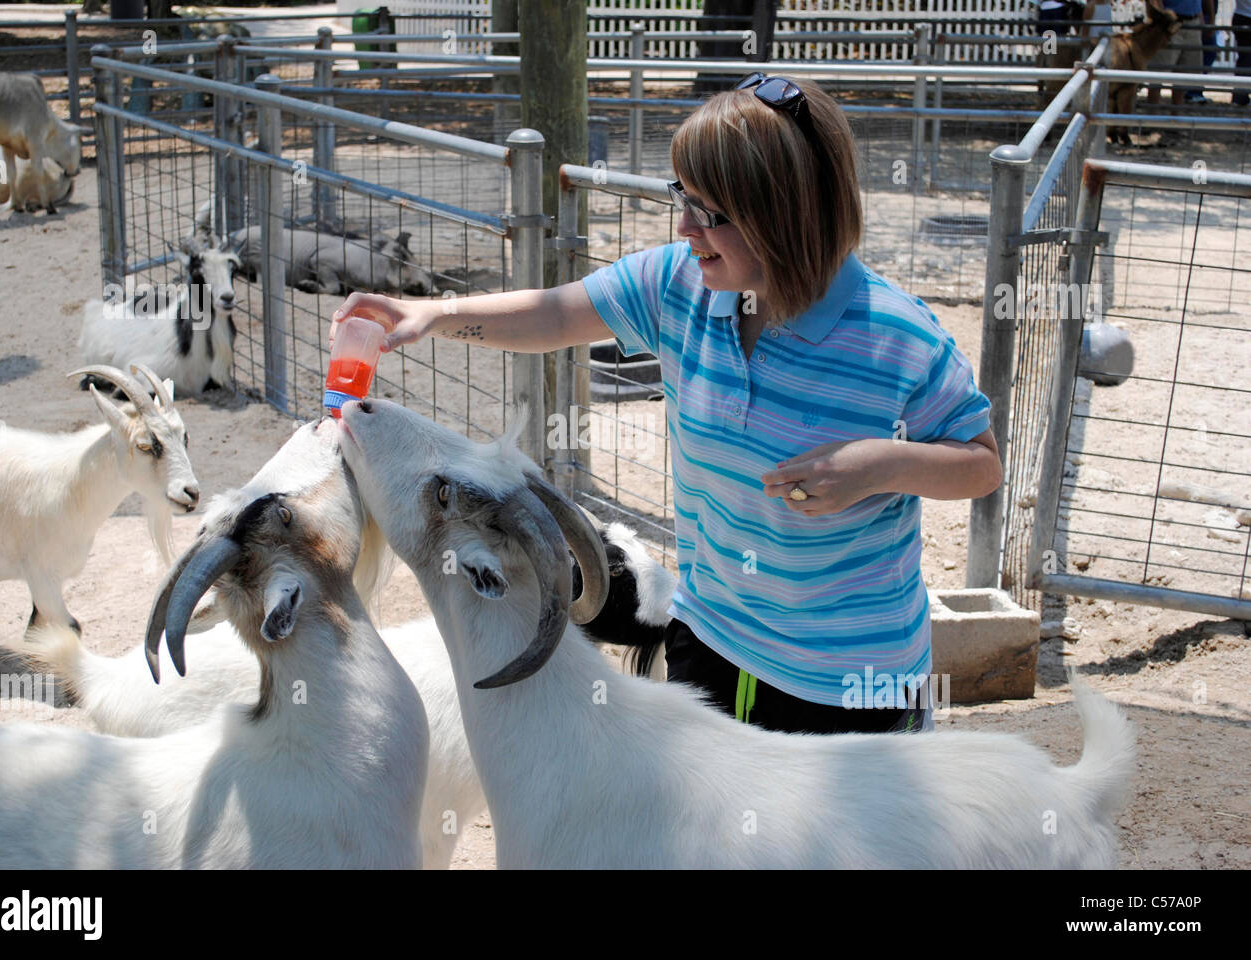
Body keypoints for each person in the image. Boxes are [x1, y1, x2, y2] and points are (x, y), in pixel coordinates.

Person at [333, 75, 1002, 736]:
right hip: (711, 640)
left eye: (710, 213)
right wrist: (434, 313)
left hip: (850, 684)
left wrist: (878, 466)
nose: (685, 227)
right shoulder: (678, 286)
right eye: (682, 198)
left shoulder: (900, 337)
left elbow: (979, 465)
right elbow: (553, 315)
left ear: (785, 215)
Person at [1233, 0, 1251, 106]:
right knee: (1246, 59)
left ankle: (1239, 97)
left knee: (1244, 58)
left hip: (1240, 15)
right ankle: (1240, 96)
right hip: (1244, 16)